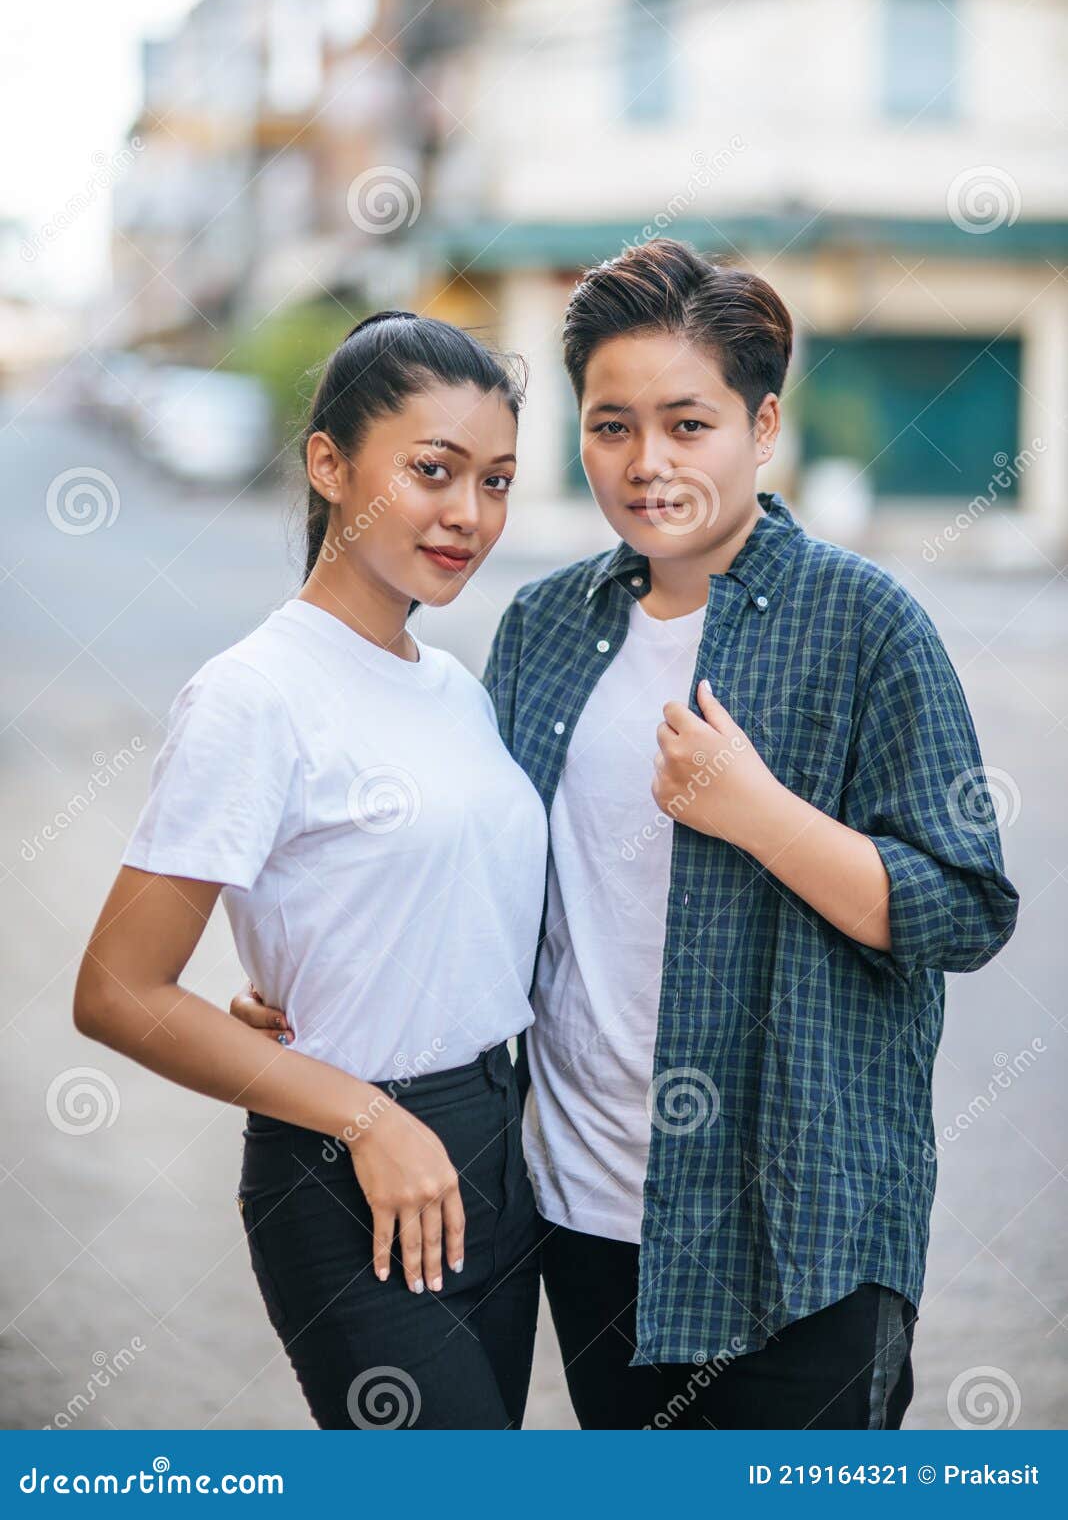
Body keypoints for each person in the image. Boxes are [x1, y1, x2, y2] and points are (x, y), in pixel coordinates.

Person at [235, 241, 1020, 1430]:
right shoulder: (547, 625)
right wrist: (319, 977)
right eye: (612, 426)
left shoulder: (865, 624)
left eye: (688, 423)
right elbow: (494, 879)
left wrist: (759, 814)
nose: (648, 461)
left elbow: (965, 907)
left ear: (762, 426)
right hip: (580, 1218)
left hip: (798, 1232)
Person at [74, 311, 549, 1430]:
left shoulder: (456, 690)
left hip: (497, 1152)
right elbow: (117, 990)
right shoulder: (254, 695)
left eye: (496, 481)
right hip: (353, 1178)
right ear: (329, 465)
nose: (469, 513)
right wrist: (366, 1119)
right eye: (433, 470)